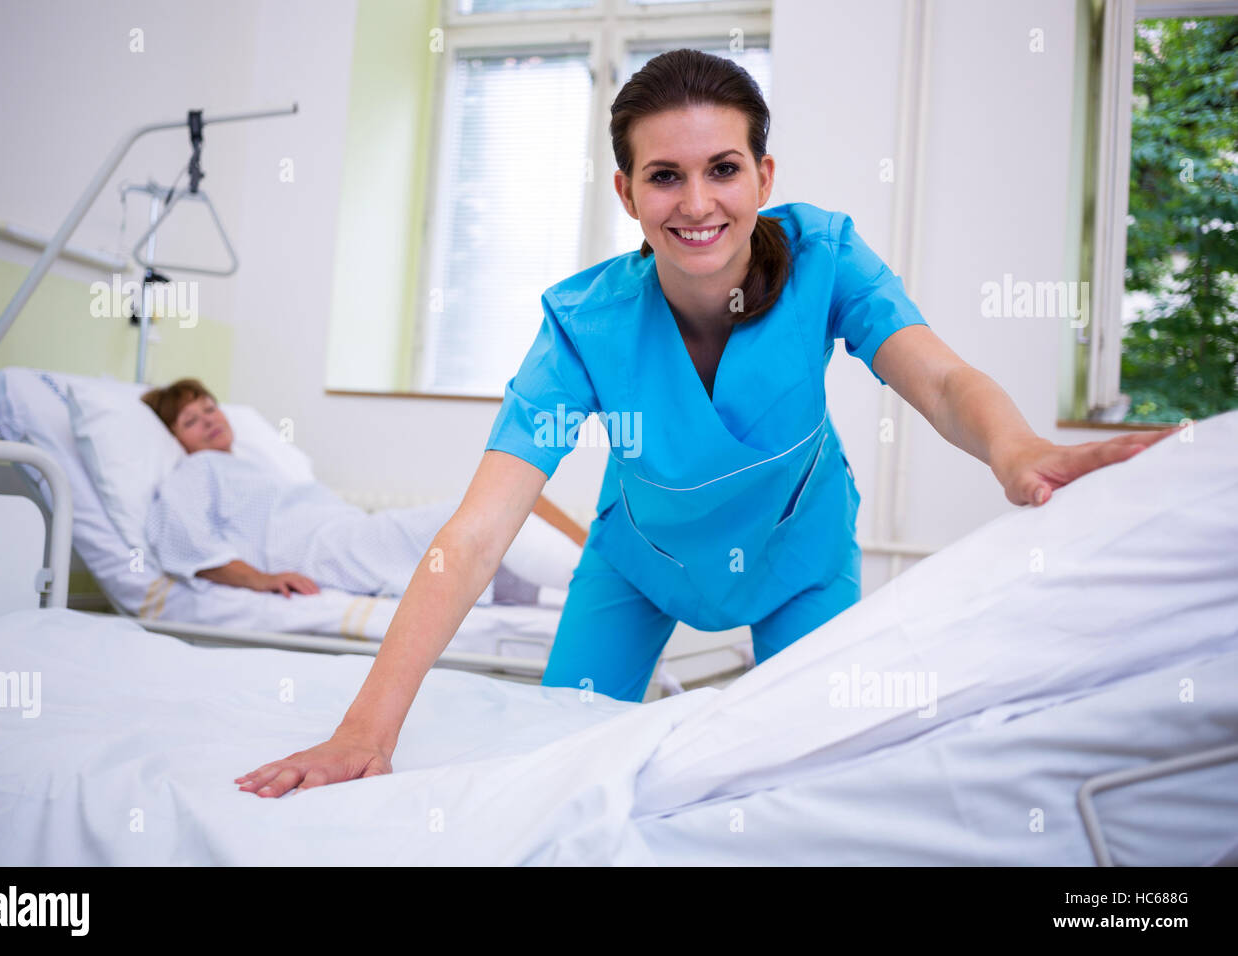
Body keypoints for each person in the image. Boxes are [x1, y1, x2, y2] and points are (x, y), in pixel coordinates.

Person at [235, 48, 1179, 797]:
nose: (696, 204)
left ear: (763, 174)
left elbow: (937, 380)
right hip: (638, 563)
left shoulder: (825, 258)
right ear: (626, 193)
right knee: (564, 757)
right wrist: (367, 729)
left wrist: (1017, 452)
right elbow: (478, 533)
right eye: (664, 176)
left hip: (796, 562)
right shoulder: (584, 322)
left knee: (815, 776)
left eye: (723, 169)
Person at [141, 378, 585, 604]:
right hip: (331, 550)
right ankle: (608, 578)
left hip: (352, 531)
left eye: (209, 408)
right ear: (172, 437)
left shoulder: (254, 464)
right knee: (495, 508)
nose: (208, 420)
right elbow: (188, 544)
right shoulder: (194, 473)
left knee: (512, 506)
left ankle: (599, 566)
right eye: (190, 421)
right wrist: (261, 579)